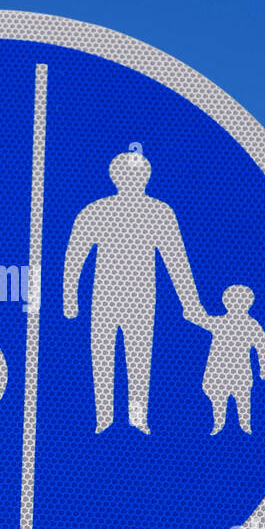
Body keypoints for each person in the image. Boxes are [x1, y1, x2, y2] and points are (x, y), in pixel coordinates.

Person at [63, 151, 207, 434]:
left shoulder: (160, 212)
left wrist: (191, 303)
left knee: (140, 357)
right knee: (102, 355)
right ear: (115, 176)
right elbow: (75, 256)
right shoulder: (95, 211)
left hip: (141, 300)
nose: (133, 178)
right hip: (104, 297)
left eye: (139, 174)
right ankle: (103, 418)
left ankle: (138, 419)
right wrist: (69, 297)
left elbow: (176, 260)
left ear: (147, 177)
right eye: (127, 174)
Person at [201, 284, 265, 434]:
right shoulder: (220, 322)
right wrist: (192, 312)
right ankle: (218, 425)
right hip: (218, 373)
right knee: (219, 399)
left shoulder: (251, 325)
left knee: (243, 400)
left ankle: (245, 427)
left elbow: (262, 347)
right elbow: (201, 319)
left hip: (241, 373)